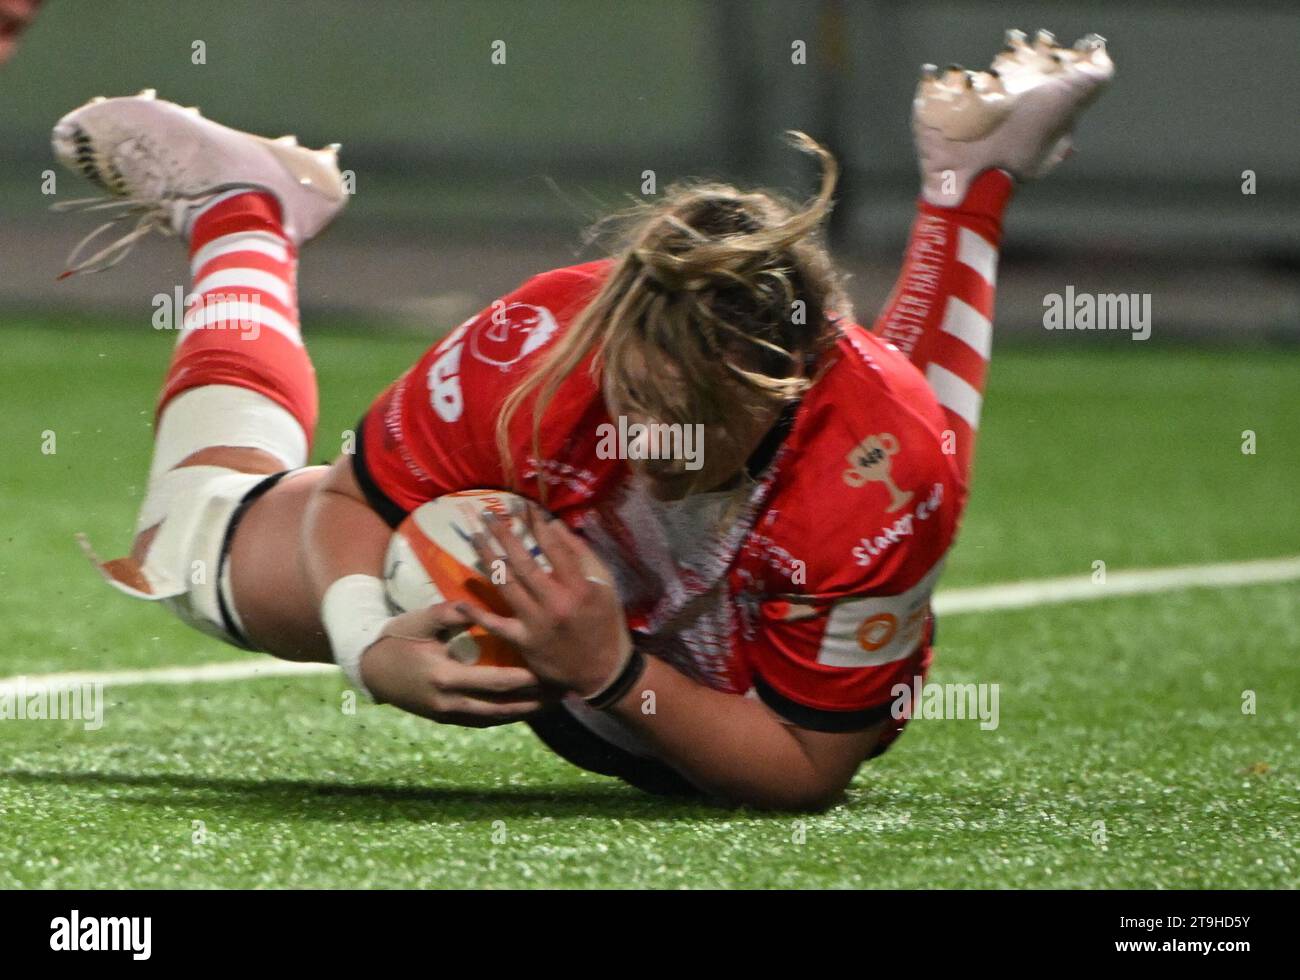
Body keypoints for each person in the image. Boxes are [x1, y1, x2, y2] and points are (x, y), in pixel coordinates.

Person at [53, 29, 1113, 809]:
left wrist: (612, 673)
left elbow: (802, 767)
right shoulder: (543, 341)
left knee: (903, 453)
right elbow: (356, 500)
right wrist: (366, 642)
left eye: (683, 421)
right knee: (185, 545)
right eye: (631, 399)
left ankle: (967, 185)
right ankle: (246, 213)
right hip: (565, 567)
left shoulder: (876, 463)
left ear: (778, 388)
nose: (641, 442)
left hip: (721, 668)